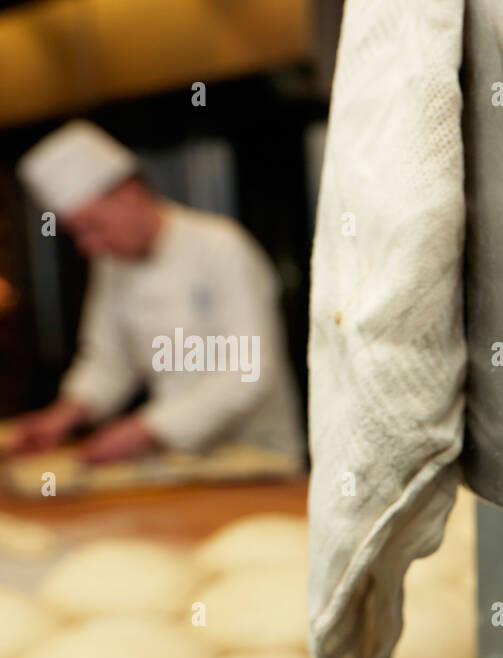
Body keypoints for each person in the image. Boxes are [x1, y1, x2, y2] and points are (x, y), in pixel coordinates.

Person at [8, 121, 304, 464]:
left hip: (259, 459)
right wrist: (63, 415)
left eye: (94, 226)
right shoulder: (113, 263)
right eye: (77, 234)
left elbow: (248, 370)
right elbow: (109, 360)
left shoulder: (221, 246)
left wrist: (145, 429)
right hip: (182, 461)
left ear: (129, 194)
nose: (89, 246)